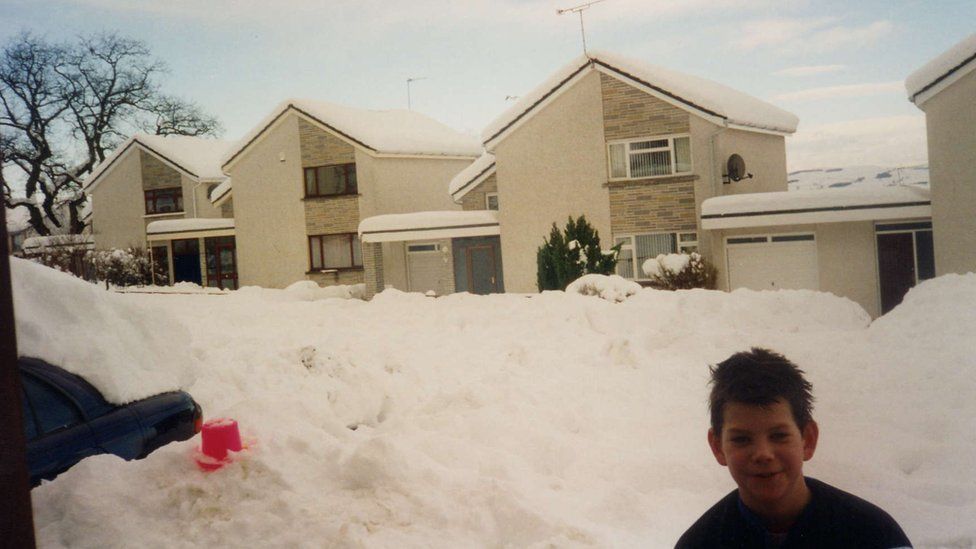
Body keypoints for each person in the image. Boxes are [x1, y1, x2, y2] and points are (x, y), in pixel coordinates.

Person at [675, 348, 912, 548]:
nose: (763, 454)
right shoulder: (699, 543)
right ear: (717, 447)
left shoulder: (875, 535)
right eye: (741, 439)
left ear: (807, 439)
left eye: (779, 436)